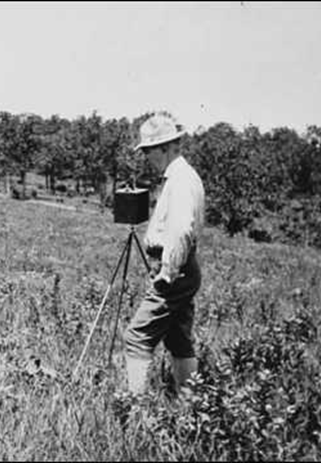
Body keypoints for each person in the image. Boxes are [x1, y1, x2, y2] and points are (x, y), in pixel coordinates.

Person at [123, 112, 205, 396]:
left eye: (149, 150)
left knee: (136, 337)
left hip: (174, 270)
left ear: (166, 147)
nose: (147, 157)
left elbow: (181, 231)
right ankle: (189, 402)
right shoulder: (181, 176)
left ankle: (133, 406)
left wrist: (167, 273)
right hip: (182, 267)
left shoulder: (181, 180)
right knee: (178, 339)